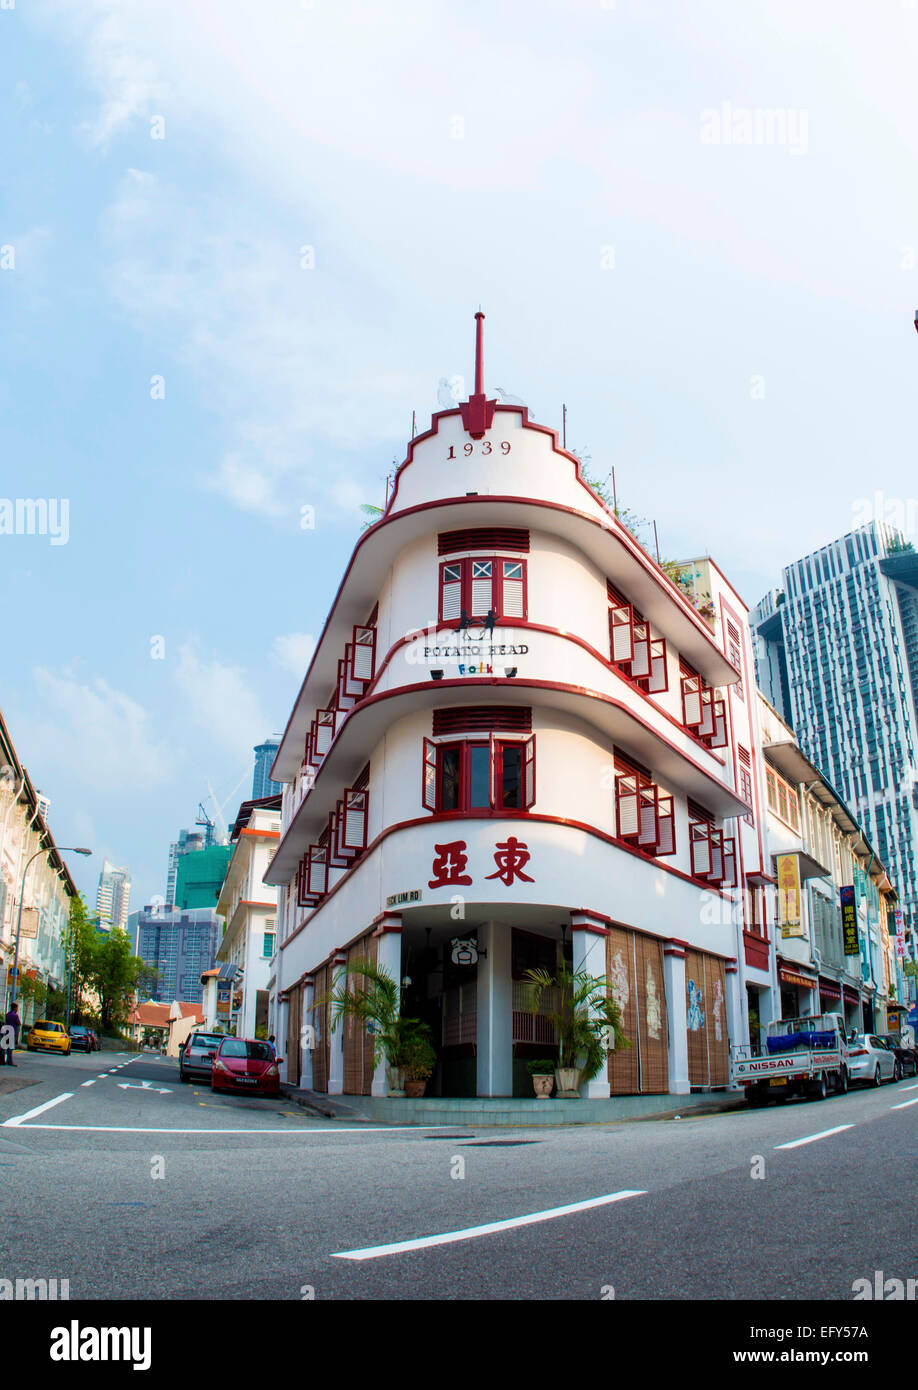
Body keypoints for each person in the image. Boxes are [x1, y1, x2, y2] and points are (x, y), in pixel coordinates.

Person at [3, 1001, 21, 1066]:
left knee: (5, 1047)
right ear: (15, 1008)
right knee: (10, 1048)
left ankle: (3, 1060)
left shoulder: (7, 1014)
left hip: (6, 1032)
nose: (17, 1009)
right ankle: (10, 1061)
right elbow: (19, 1023)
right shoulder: (15, 1015)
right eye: (17, 1008)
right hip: (12, 1032)